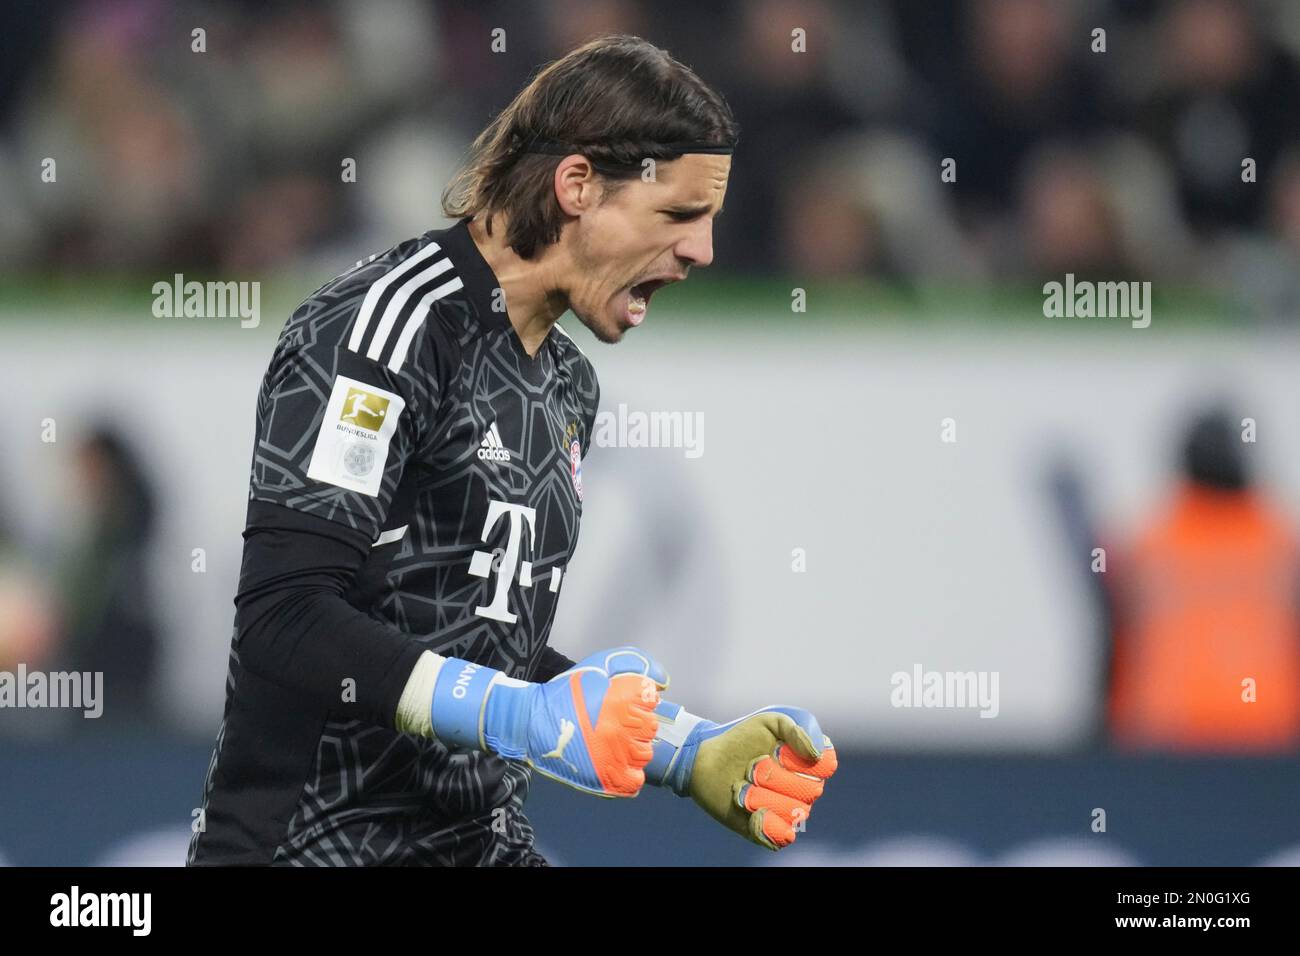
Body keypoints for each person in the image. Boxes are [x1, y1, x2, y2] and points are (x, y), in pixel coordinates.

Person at [188, 35, 835, 867]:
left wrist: (682, 749)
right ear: (576, 187)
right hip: (314, 850)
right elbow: (287, 614)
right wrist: (516, 718)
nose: (702, 251)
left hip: (479, 846)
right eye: (678, 215)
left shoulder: (566, 383)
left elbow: (487, 644)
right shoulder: (386, 328)